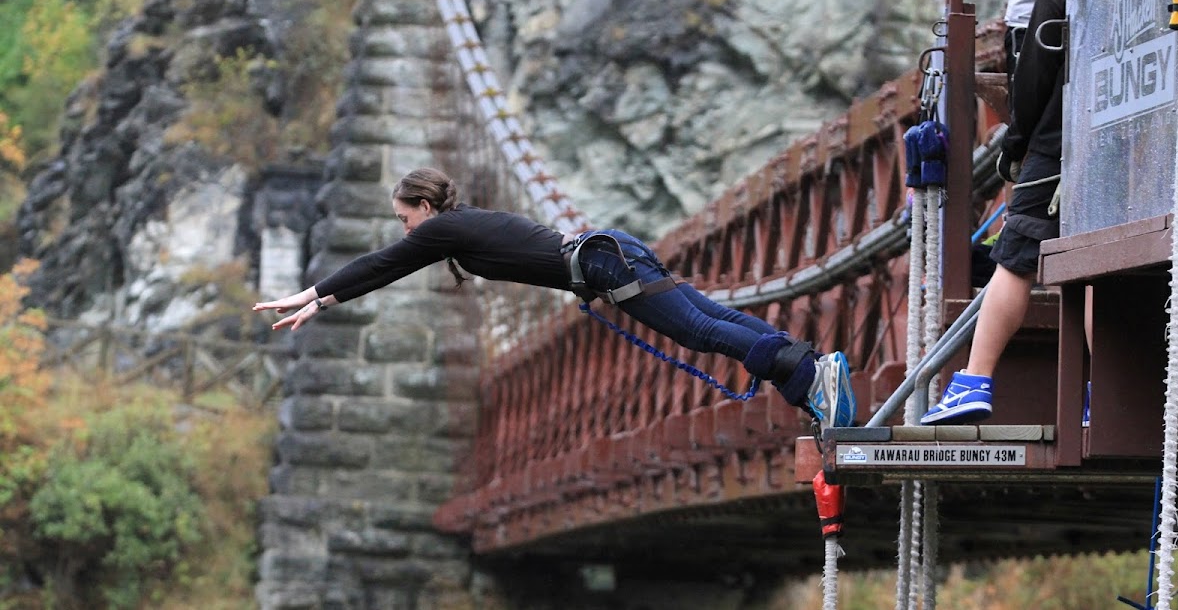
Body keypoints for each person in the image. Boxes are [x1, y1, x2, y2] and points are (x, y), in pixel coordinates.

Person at [254, 167, 856, 428]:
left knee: (700, 332)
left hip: (601, 260)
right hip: (607, 249)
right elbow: (384, 267)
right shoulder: (454, 230)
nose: (404, 228)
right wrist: (323, 302)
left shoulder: (441, 230)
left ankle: (804, 379)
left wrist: (311, 294)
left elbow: (380, 266)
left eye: (404, 216)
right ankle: (812, 370)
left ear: (426, 208)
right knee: (712, 317)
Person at [921, 0, 1065, 425]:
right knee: (1093, 260)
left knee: (1017, 251)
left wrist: (1017, 143)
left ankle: (974, 379)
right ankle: (1100, 394)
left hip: (1056, 124)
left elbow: (1037, 58)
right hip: (1123, 119)